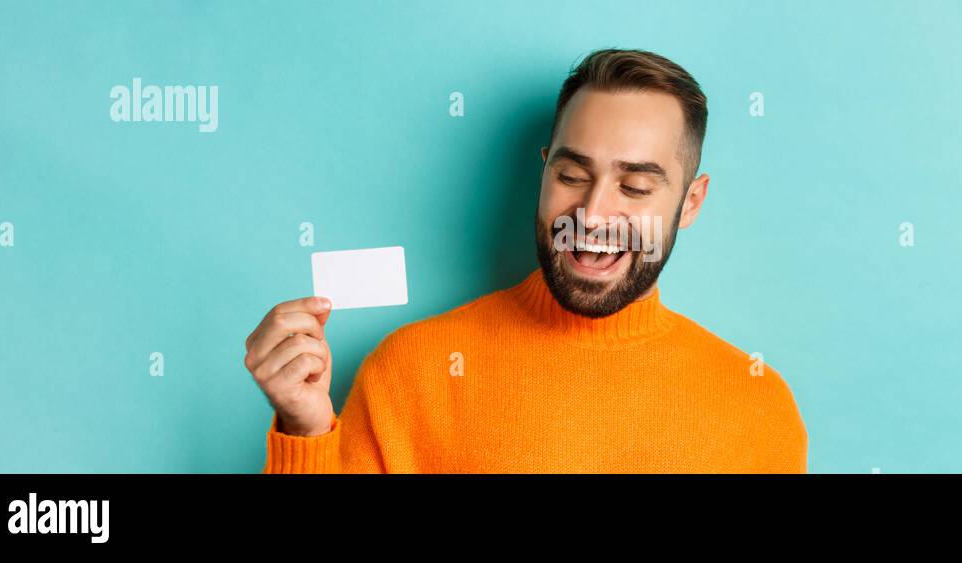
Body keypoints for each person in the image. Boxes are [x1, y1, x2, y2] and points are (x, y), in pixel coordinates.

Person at [244, 48, 808, 473]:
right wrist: (308, 430)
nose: (591, 214)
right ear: (543, 172)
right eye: (571, 176)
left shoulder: (757, 407)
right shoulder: (410, 373)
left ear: (690, 202)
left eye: (635, 186)